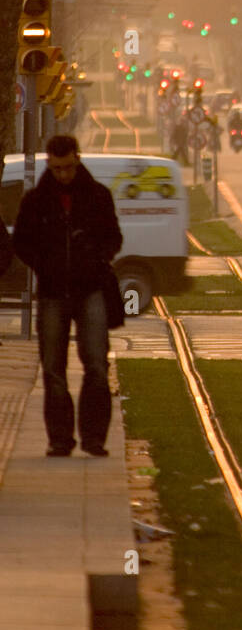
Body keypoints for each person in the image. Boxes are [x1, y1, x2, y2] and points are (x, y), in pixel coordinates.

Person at [13, 134, 123, 458]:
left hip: (90, 289)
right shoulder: (36, 201)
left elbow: (113, 237)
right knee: (52, 367)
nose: (63, 174)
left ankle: (93, 438)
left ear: (78, 159)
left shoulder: (98, 196)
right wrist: (44, 264)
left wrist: (97, 256)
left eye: (68, 167)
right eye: (57, 168)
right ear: (50, 163)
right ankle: (60, 439)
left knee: (96, 365)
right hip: (52, 292)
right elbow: (22, 241)